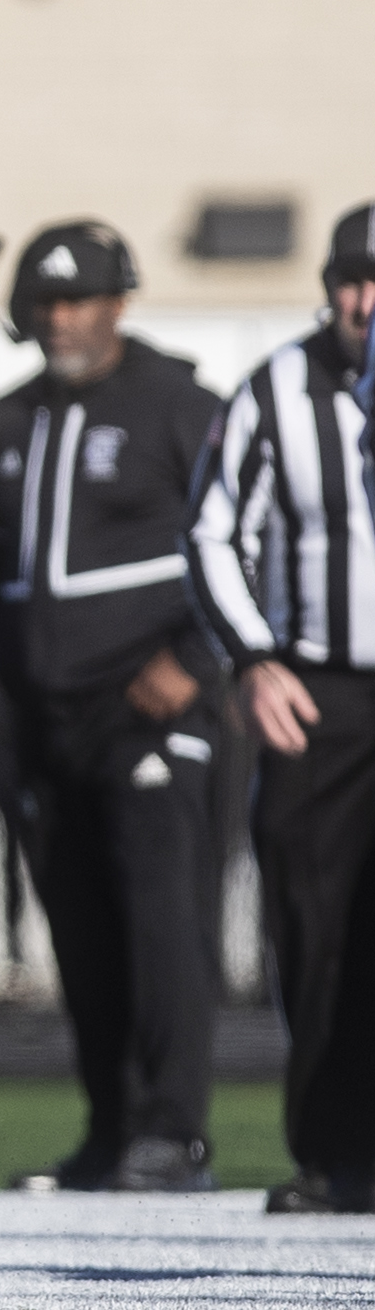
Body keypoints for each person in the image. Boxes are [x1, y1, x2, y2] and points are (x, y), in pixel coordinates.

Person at [0, 220, 224, 1192]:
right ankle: (109, 1129)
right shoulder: (4, 421)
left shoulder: (180, 407)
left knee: (161, 921)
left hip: (149, 704)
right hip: (45, 714)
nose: (60, 318)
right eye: (45, 302)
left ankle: (172, 1131)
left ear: (119, 301)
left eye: (77, 299)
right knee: (76, 928)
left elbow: (251, 541)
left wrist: (195, 659)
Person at [187, 202, 375, 1214]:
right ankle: (334, 1153)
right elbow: (212, 533)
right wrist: (251, 659)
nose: (364, 301)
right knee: (312, 925)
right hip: (317, 692)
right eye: (350, 279)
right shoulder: (276, 390)